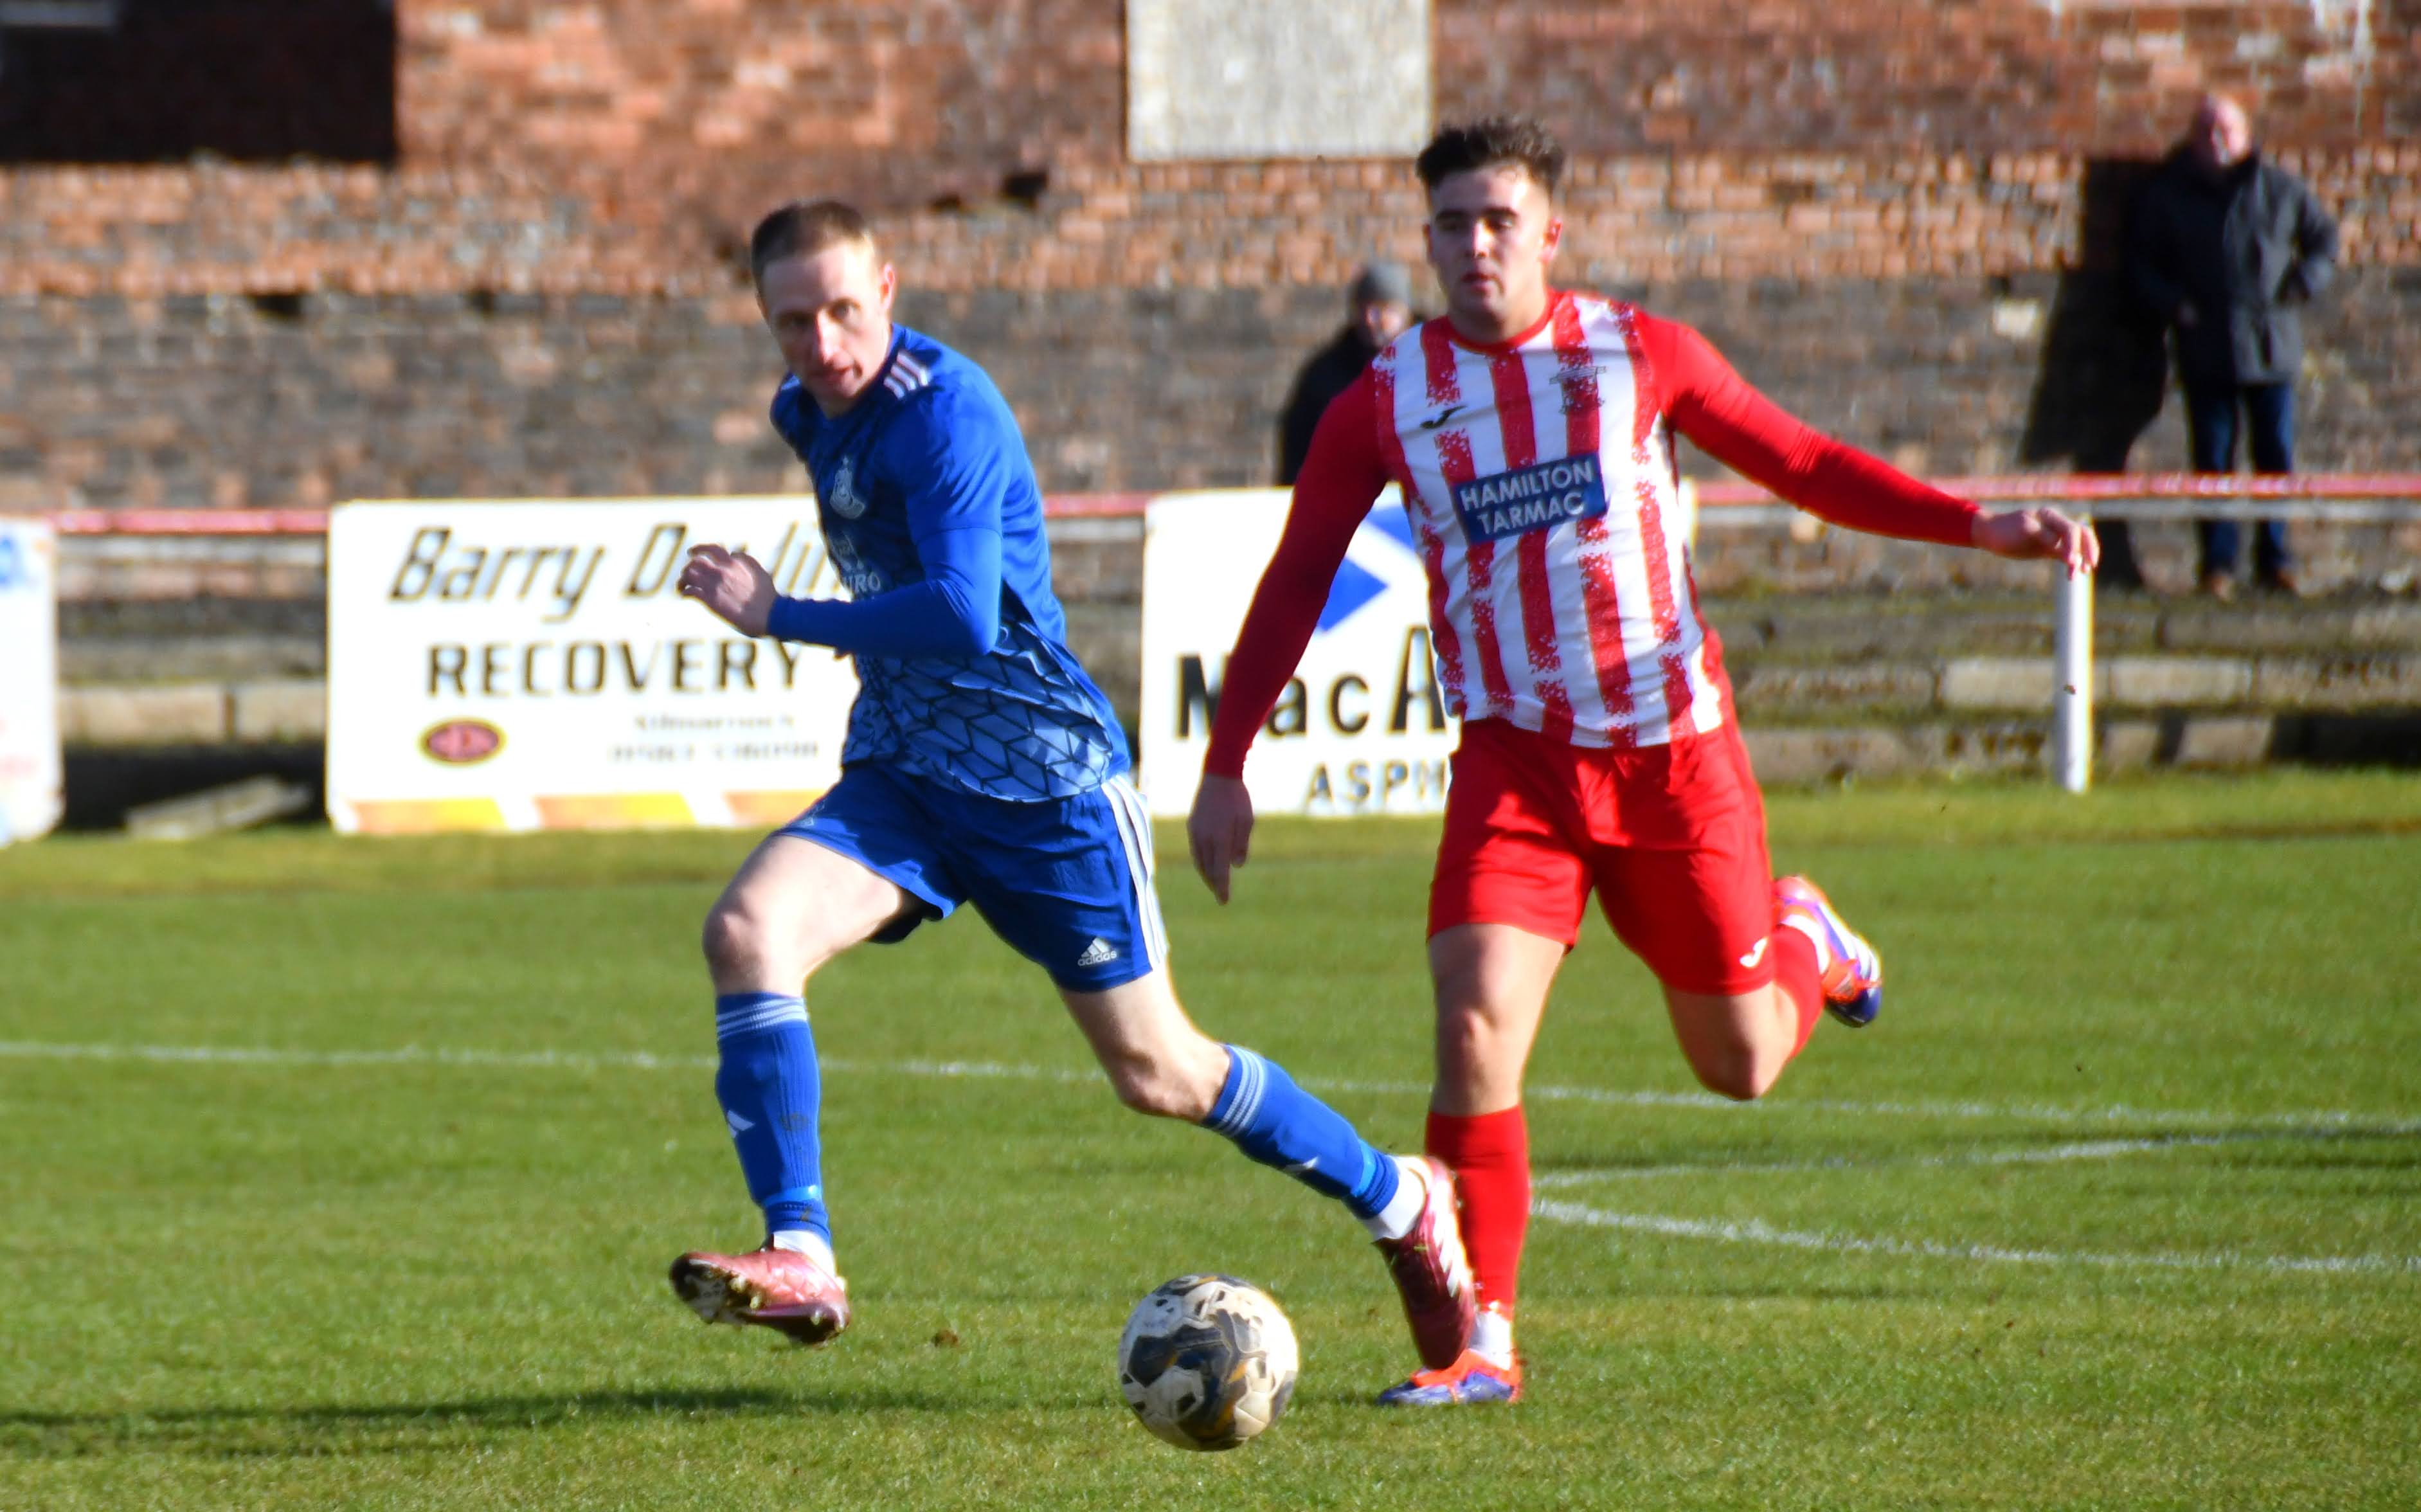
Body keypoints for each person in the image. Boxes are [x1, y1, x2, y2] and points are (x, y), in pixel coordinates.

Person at [1186, 118, 2098, 1407]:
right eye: (1449, 222)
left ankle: (1807, 938)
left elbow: (1799, 462)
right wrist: (1226, 765)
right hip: (1514, 767)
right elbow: (1295, 582)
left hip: (1673, 763)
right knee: (1469, 1030)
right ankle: (1474, 1344)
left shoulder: (1636, 354)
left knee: (1736, 1065)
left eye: (1497, 219)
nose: (1472, 244)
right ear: (1427, 238)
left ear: (1547, 233)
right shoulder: (1383, 400)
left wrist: (1975, 526)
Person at [664, 199, 1474, 1372]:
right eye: (794, 320)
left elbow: (959, 609)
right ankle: (801, 1250)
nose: (825, 342)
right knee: (746, 930)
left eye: (845, 309)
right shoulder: (806, 410)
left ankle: (1398, 1199)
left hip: (1043, 787)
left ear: (887, 288)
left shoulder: (948, 416)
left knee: (1161, 1072)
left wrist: (780, 614)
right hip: (907, 774)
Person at [2127, 93, 2338, 598]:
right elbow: (2141, 264)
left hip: (2270, 349)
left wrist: (2301, 285)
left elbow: (2324, 240)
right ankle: (2218, 565)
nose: (2217, 141)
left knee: (2274, 459)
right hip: (2207, 349)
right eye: (2206, 130)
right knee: (2214, 463)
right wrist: (2176, 306)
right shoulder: (2170, 196)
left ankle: (2276, 560)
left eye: (2226, 130)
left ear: (2246, 136)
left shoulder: (2278, 188)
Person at [1277, 260, 1416, 483]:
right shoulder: (1326, 375)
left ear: (1405, 313)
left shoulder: (1437, 366)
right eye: (1364, 308)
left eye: (1383, 309)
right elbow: (1298, 448)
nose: (1371, 320)